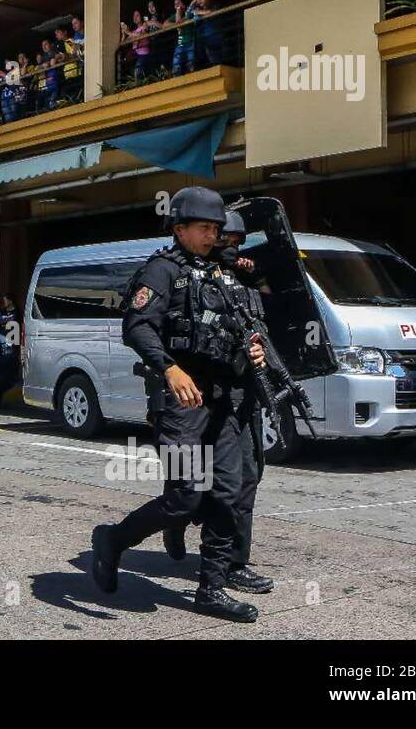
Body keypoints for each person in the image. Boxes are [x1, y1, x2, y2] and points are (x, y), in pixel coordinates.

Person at [90, 187, 268, 623]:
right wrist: (170, 368)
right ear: (180, 228)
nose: (212, 236)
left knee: (227, 494)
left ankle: (211, 589)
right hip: (181, 399)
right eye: (204, 228)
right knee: (186, 496)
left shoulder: (224, 276)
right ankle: (112, 540)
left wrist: (254, 349)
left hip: (225, 398)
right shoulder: (162, 271)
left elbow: (238, 328)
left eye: (216, 229)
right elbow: (137, 327)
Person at [161, 211, 273, 597]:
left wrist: (253, 274)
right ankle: (174, 518)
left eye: (238, 243)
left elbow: (274, 312)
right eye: (225, 241)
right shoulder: (185, 274)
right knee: (187, 476)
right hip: (194, 393)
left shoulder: (241, 278)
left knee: (244, 476)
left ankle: (231, 565)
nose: (231, 250)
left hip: (241, 391)